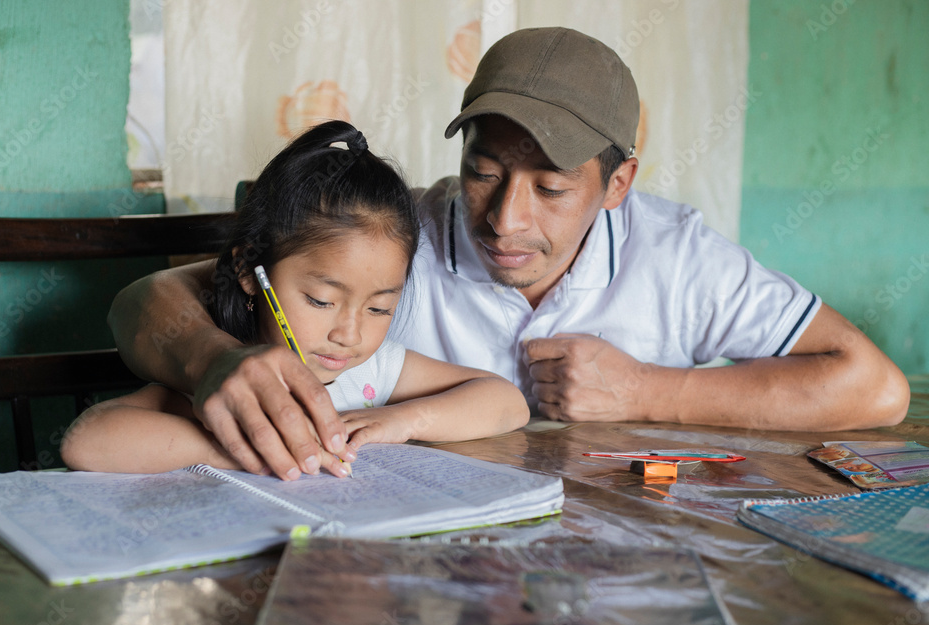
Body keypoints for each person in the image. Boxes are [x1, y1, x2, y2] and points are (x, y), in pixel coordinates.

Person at [105, 28, 910, 478]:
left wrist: (643, 387)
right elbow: (151, 299)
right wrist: (211, 357)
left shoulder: (680, 258)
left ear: (618, 182)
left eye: (551, 189)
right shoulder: (395, 238)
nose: (503, 220)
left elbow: (874, 388)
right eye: (483, 172)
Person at [61, 120, 529, 478]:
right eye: (321, 301)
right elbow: (86, 442)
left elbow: (507, 402)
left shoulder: (372, 373)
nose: (350, 334)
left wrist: (403, 420)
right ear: (250, 272)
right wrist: (249, 447)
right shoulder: (227, 374)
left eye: (379, 307)